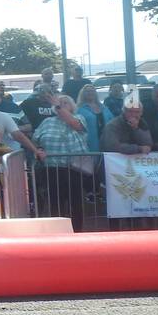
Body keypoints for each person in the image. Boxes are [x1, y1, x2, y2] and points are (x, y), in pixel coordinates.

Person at [34, 94, 96, 232]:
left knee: (76, 202)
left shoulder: (79, 118)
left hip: (74, 168)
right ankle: (57, 232)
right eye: (59, 103)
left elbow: (75, 125)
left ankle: (77, 231)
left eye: (65, 103)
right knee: (56, 202)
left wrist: (58, 106)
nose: (61, 105)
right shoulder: (47, 122)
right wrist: (38, 150)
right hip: (52, 168)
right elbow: (36, 138)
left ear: (72, 106)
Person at [76, 84, 107, 155]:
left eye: (92, 91)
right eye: (87, 91)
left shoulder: (104, 108)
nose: (90, 93)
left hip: (106, 141)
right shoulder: (79, 110)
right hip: (89, 143)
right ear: (83, 94)